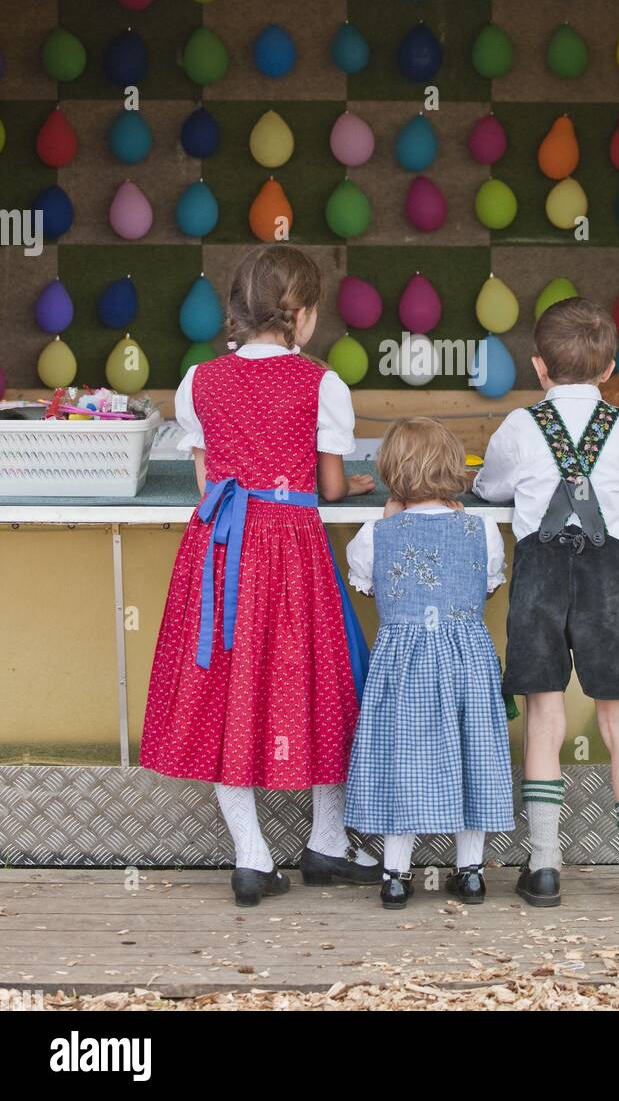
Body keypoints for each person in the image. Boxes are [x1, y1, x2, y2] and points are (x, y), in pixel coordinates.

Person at [139, 245, 380, 906]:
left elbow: (207, 481)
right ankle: (328, 841)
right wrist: (349, 487)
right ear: (300, 315)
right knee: (326, 685)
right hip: (293, 551)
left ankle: (252, 856)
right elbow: (328, 486)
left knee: (224, 693)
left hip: (219, 552)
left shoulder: (198, 380)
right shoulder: (322, 384)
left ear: (239, 311)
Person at [472, 298, 619, 909]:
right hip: (606, 582)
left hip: (538, 579)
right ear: (609, 369)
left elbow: (488, 486)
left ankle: (543, 867)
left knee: (544, 718)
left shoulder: (518, 426)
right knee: (618, 720)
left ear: (539, 368)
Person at [344, 418, 515, 910]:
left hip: (403, 662)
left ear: (390, 471)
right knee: (472, 751)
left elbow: (369, 584)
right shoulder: (481, 529)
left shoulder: (376, 534)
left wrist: (391, 517)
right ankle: (472, 872)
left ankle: (395, 874)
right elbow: (487, 584)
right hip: (467, 658)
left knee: (405, 756)